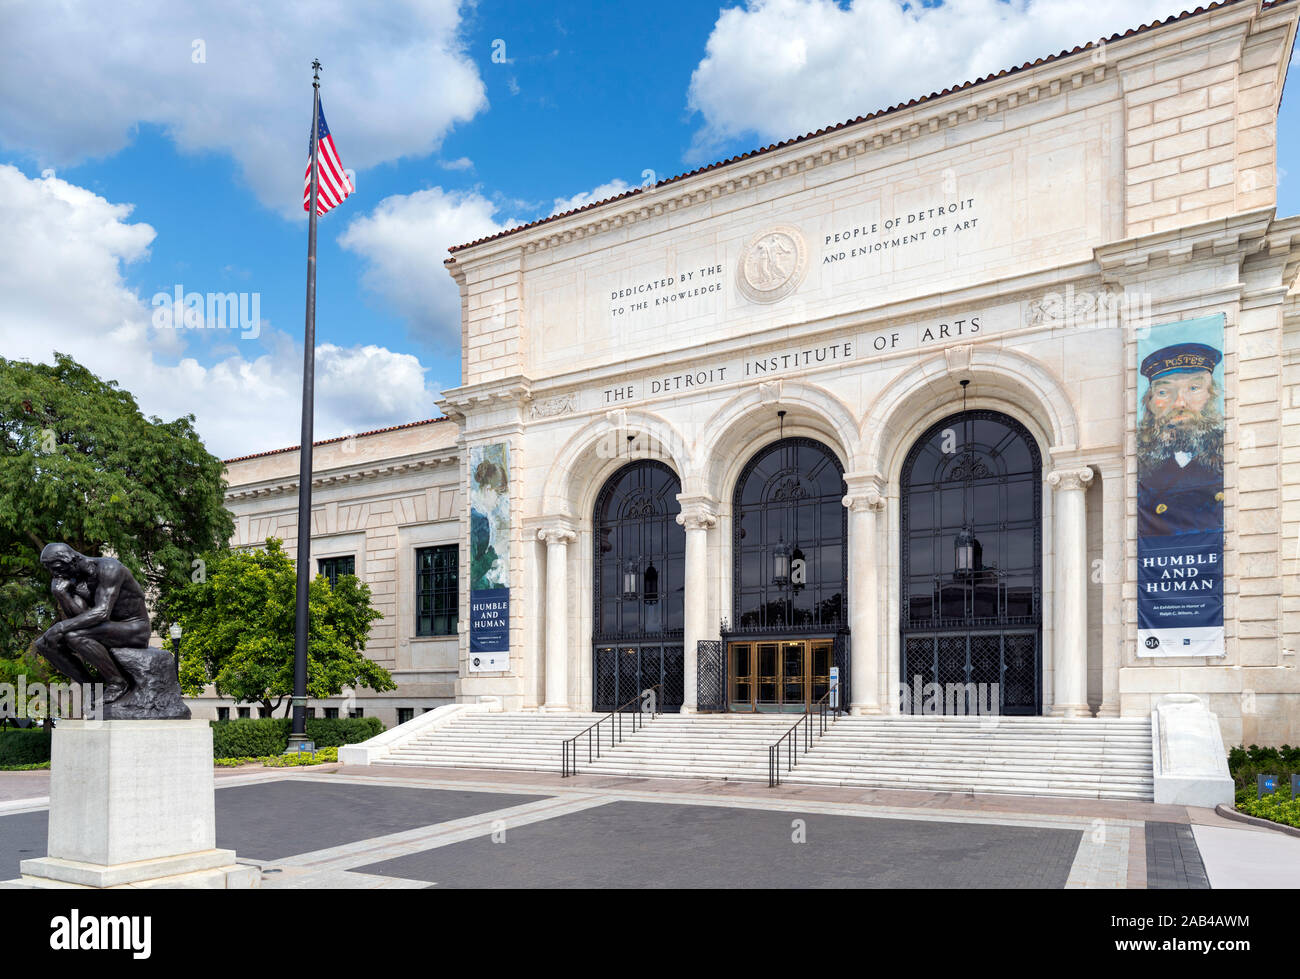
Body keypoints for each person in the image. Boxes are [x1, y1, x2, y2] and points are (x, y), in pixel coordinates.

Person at [32, 543, 152, 704]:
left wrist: (60, 627)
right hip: (105, 628)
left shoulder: (109, 568)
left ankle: (118, 683)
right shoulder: (74, 581)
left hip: (134, 628)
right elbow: (80, 617)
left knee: (74, 635)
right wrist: (62, 595)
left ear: (73, 560)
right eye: (50, 569)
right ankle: (92, 686)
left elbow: (102, 613)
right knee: (44, 644)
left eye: (58, 568)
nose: (55, 574)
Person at [1136, 342, 1224, 537]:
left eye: (1194, 388)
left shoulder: (1228, 455)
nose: (1179, 403)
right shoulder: (1140, 467)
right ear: (1149, 404)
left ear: (1210, 396)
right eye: (1163, 392)